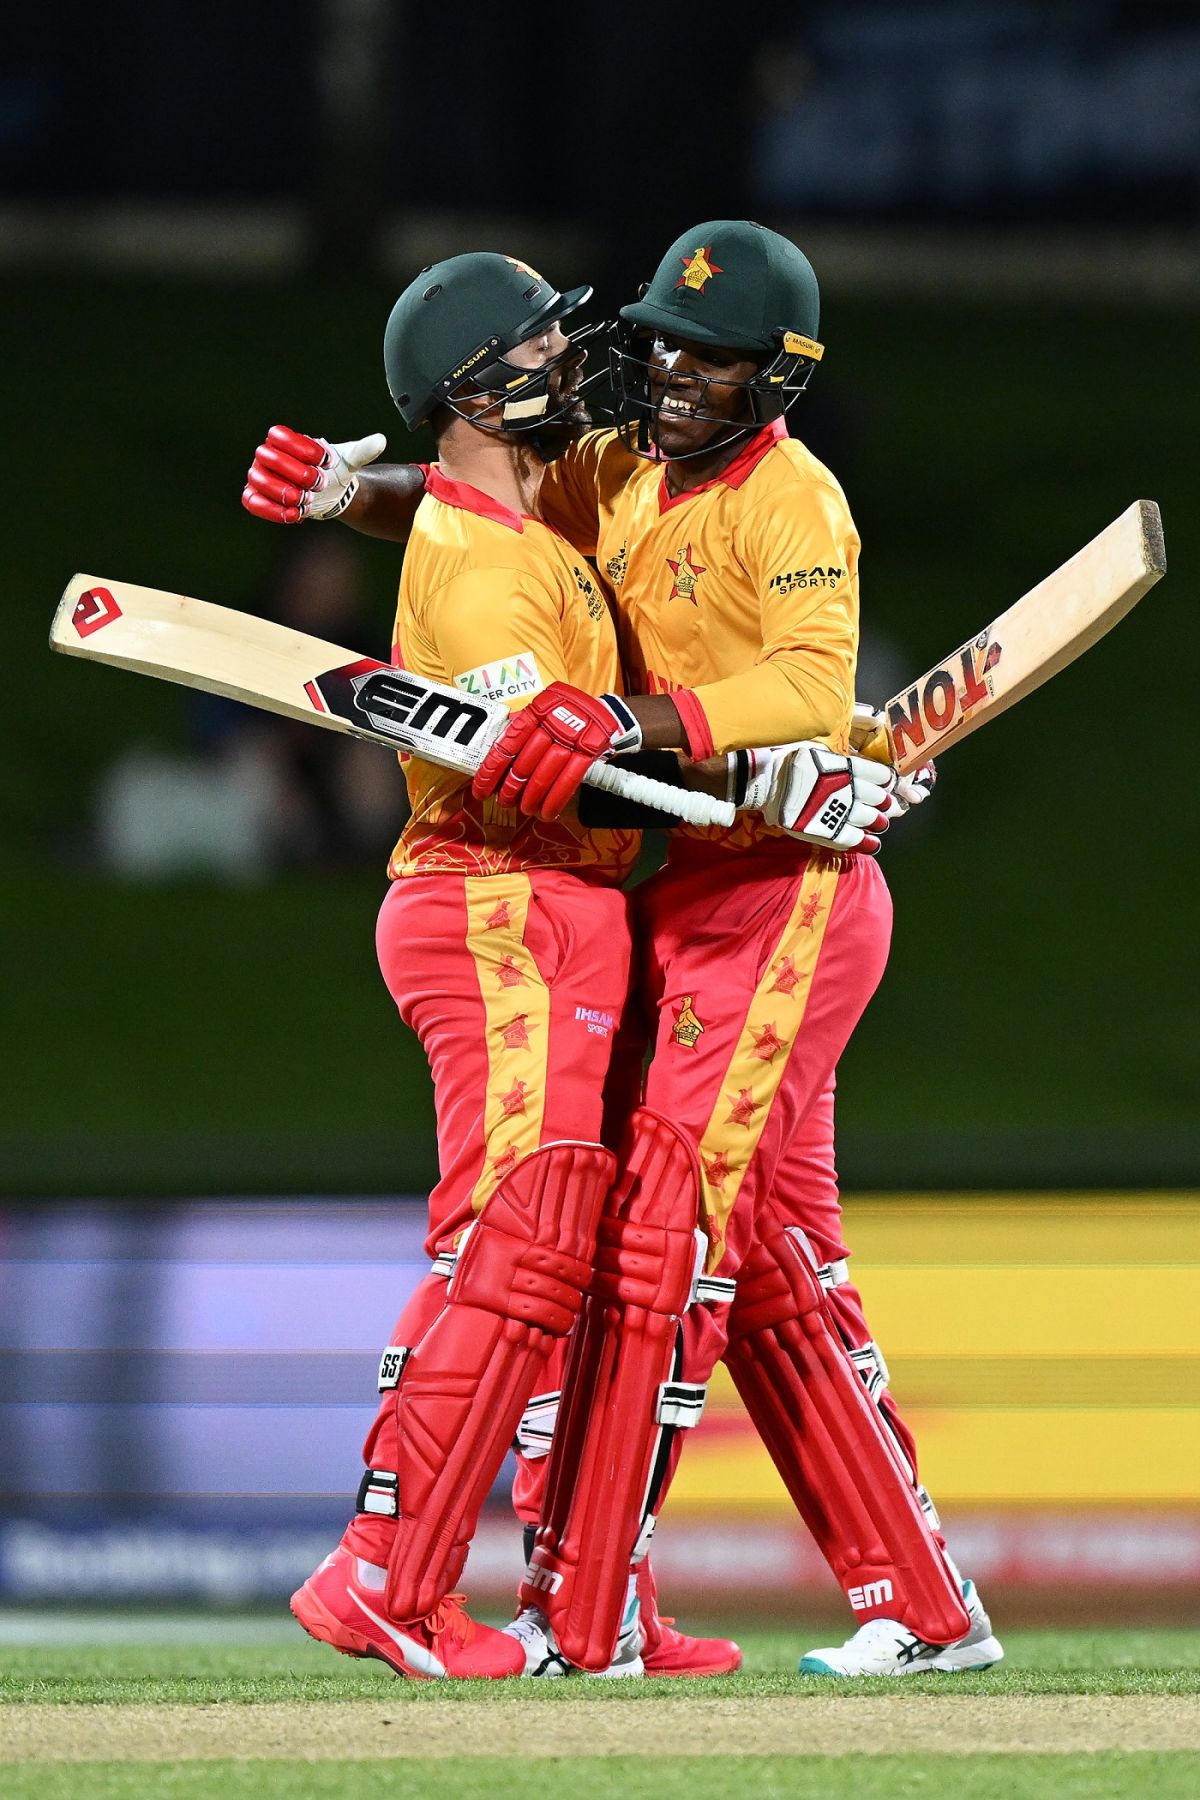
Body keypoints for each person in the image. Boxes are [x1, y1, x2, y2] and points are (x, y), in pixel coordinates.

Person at [255, 220, 1001, 1681]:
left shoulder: (796, 502)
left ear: (776, 379)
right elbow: (484, 494)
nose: (665, 370)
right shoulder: (622, 467)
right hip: (669, 881)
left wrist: (665, 735)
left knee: (659, 1232)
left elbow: (801, 680)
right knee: (758, 1253)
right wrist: (357, 490)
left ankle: (581, 1620)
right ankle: (918, 1607)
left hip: (779, 891)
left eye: (707, 356)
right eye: (661, 338)